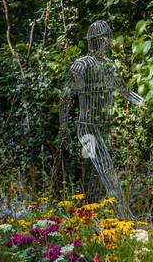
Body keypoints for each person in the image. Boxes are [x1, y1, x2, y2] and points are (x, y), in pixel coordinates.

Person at [58, 19, 144, 218]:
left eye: (108, 39)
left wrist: (145, 104)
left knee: (97, 176)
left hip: (105, 128)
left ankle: (87, 216)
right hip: (87, 130)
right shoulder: (80, 66)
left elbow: (125, 91)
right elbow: (66, 98)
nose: (107, 43)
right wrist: (64, 129)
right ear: (94, 41)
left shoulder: (109, 66)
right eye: (103, 39)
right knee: (107, 170)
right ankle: (126, 217)